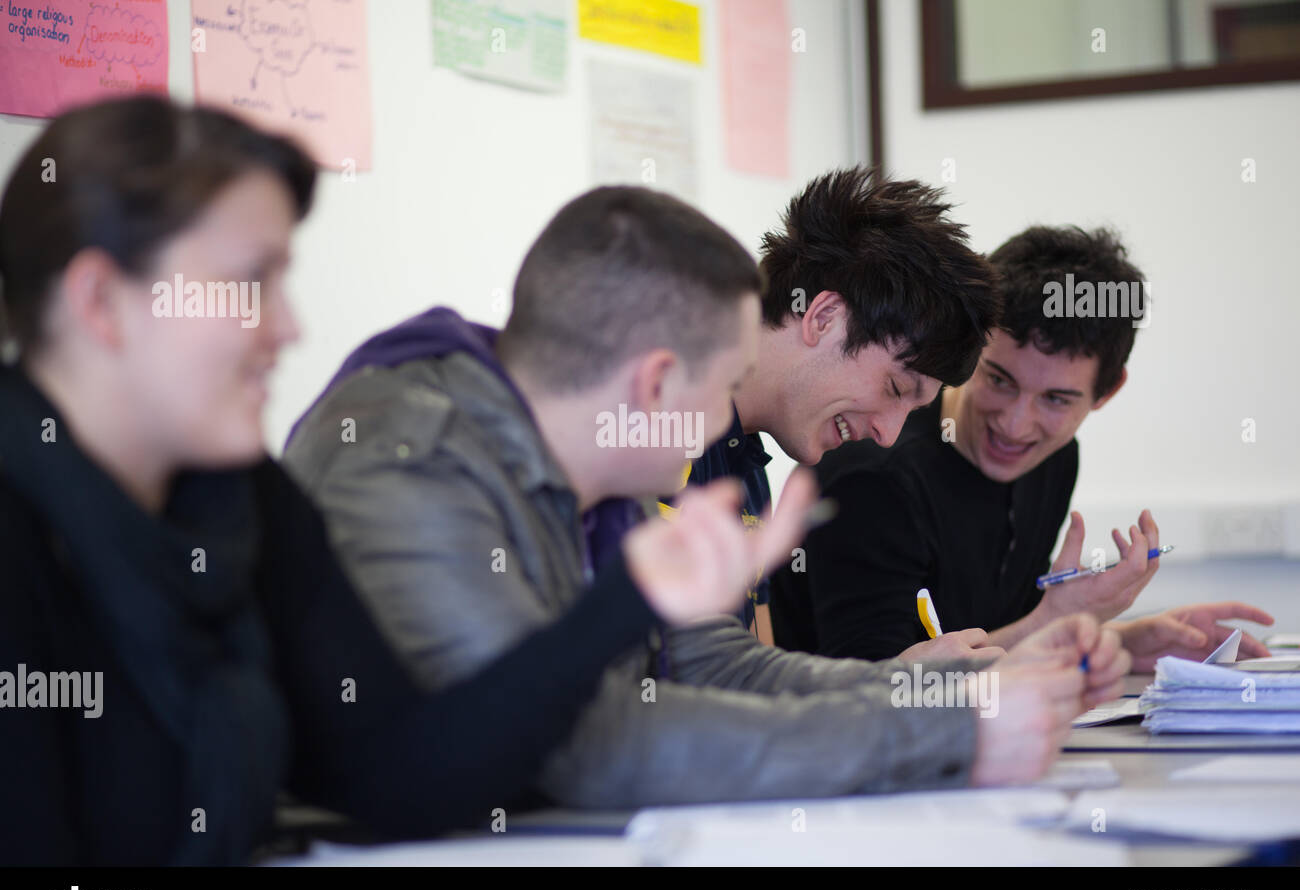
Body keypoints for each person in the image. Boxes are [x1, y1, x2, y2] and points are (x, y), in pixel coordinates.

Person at [0, 97, 794, 865]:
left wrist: (628, 601)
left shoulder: (249, 503)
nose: (290, 327)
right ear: (101, 301)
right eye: (251, 283)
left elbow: (403, 776)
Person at [284, 185, 1130, 811]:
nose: (726, 421)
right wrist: (952, 731)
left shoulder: (600, 477)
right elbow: (584, 746)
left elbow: (701, 664)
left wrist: (954, 697)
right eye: (724, 381)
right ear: (656, 380)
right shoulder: (416, 456)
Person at [768, 225, 1272, 669]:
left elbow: (988, 636)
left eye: (1055, 399)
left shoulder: (1053, 460)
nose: (1015, 424)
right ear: (973, 349)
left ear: (1107, 391)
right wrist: (1060, 621)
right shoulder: (872, 474)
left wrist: (1125, 639)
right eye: (999, 379)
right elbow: (884, 691)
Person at [675, 166, 1001, 649]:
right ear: (824, 317)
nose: (888, 436)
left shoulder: (746, 462)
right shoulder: (661, 431)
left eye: (912, 412)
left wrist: (898, 684)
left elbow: (751, 681)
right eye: (895, 388)